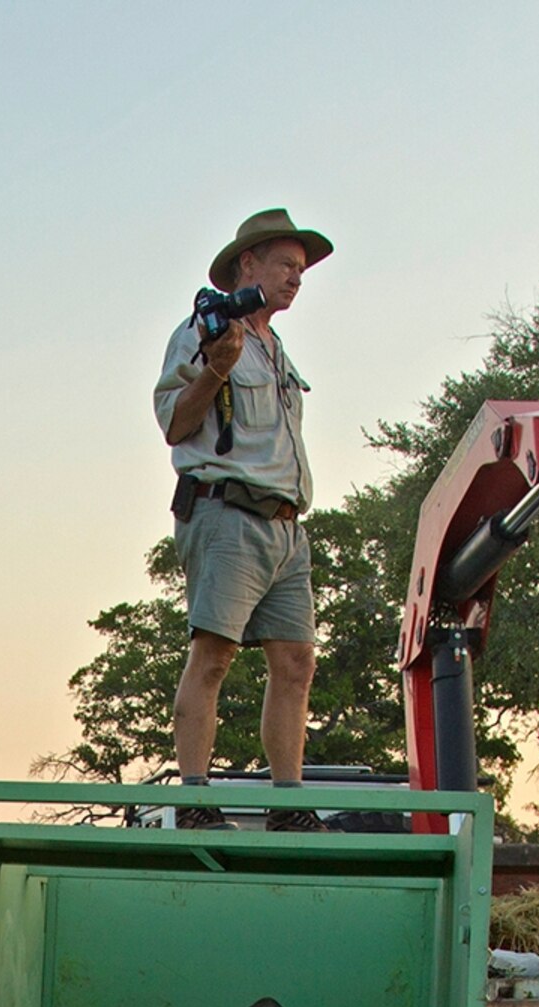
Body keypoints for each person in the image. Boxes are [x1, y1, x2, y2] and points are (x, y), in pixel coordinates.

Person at [156, 208, 328, 827]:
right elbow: (175, 423)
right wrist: (217, 368)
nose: (296, 278)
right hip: (226, 513)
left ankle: (288, 805)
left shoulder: (277, 348)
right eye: (286, 264)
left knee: (297, 663)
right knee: (214, 656)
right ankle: (195, 799)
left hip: (288, 527)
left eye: (301, 269)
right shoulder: (205, 331)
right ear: (247, 264)